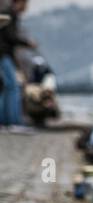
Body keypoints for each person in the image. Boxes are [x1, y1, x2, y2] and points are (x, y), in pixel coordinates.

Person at [1, 0, 35, 132]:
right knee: (13, 86)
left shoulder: (6, 12)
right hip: (3, 54)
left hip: (4, 54)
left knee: (7, 87)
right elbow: (10, 37)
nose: (27, 8)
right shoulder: (10, 14)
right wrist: (27, 43)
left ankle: (4, 122)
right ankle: (13, 121)